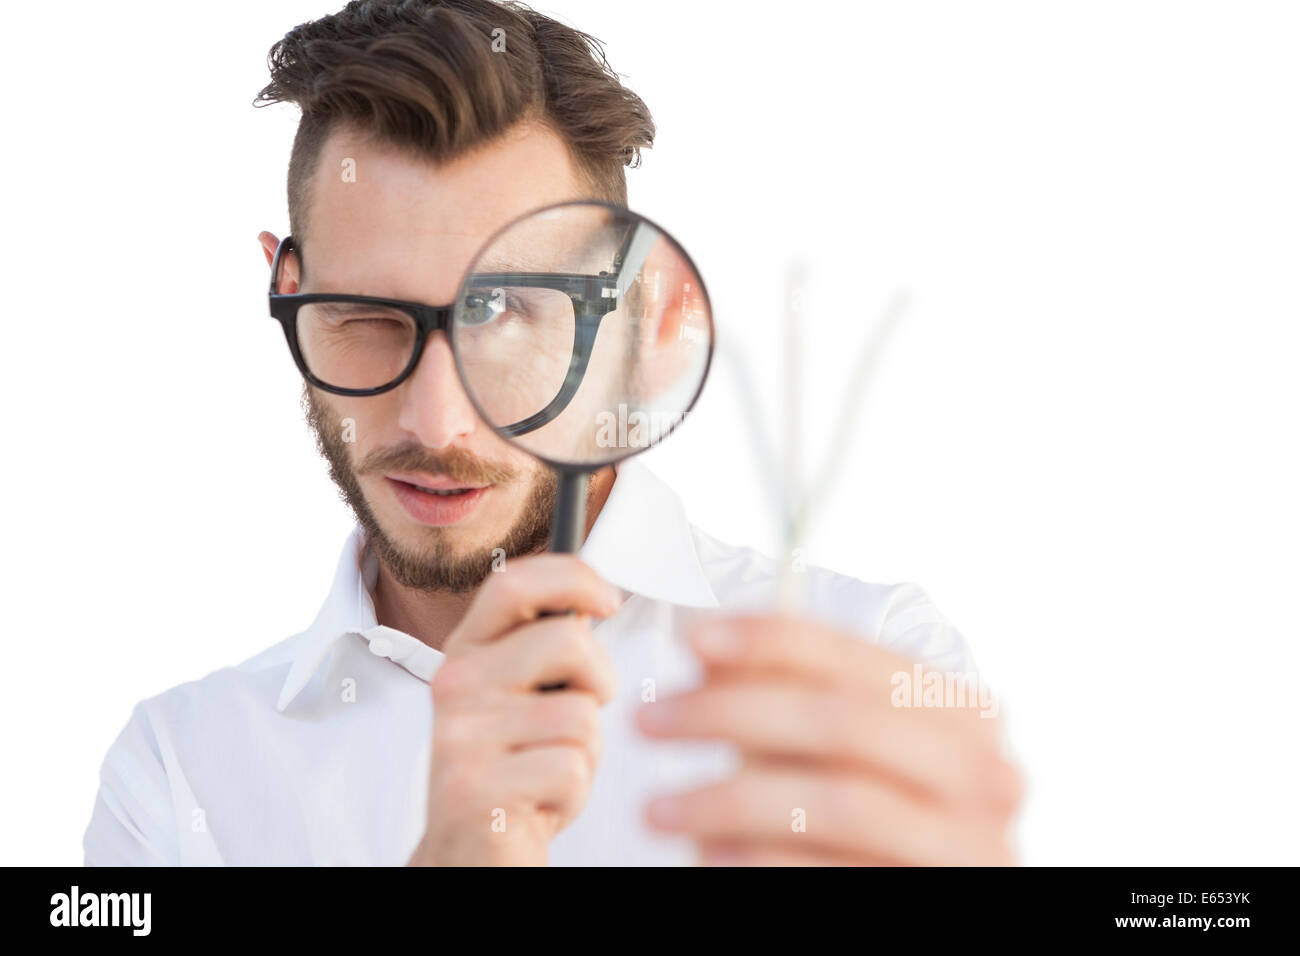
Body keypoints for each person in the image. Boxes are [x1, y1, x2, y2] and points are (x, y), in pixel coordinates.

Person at [83, 0, 1021, 867]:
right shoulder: (178, 775)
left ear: (632, 313)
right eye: (365, 315)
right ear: (287, 290)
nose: (435, 421)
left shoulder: (870, 668)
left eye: (505, 310)